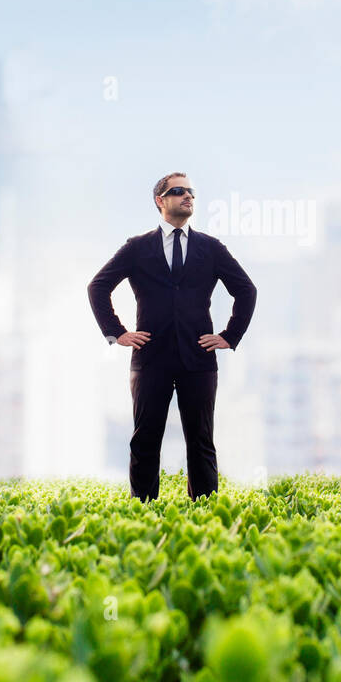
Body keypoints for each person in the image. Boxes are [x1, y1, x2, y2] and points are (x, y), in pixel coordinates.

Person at [87, 173, 258, 500]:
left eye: (191, 192)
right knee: (145, 440)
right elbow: (97, 286)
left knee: (201, 442)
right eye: (178, 191)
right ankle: (144, 512)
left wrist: (229, 335)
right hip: (151, 359)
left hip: (198, 360)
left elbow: (246, 290)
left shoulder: (211, 248)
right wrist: (117, 333)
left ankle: (205, 514)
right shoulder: (137, 248)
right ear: (160, 200)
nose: (187, 196)